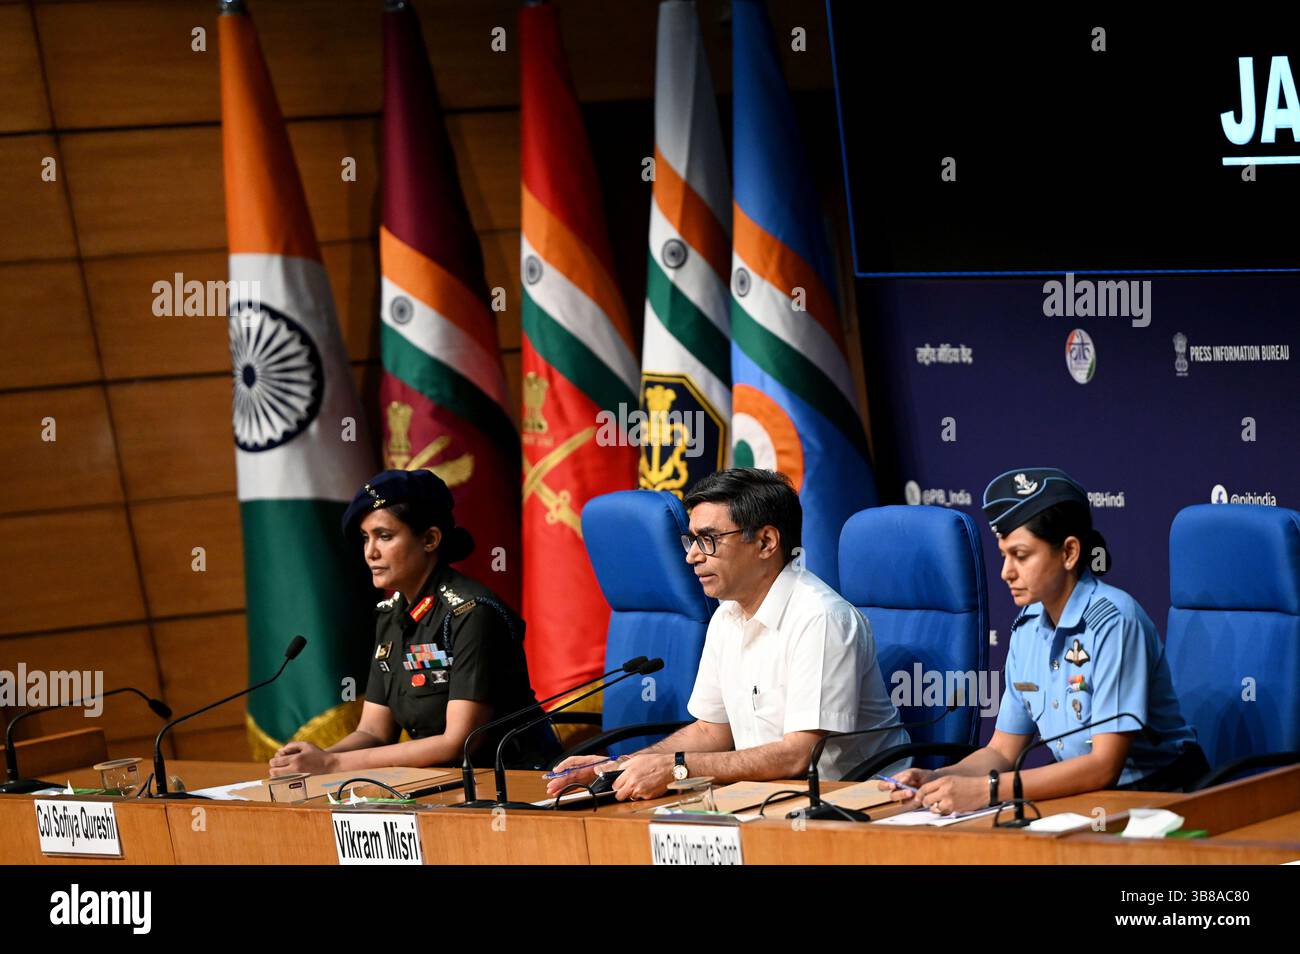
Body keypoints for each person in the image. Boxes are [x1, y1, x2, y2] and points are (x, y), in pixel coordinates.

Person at [547, 468, 908, 801]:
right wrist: (617, 766)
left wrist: (677, 767)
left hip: (854, 806)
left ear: (766, 542)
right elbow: (711, 732)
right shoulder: (726, 615)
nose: (692, 557)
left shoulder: (820, 618)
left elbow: (799, 755)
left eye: (708, 539)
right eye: (692, 540)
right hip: (770, 800)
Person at [880, 467, 1207, 815]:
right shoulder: (1027, 627)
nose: (1006, 571)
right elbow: (1003, 751)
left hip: (1162, 796)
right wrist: (937, 779)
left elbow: (1104, 765)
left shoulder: (1114, 622)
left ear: (1069, 552)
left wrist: (989, 790)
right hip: (1088, 798)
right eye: (1003, 554)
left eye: (1021, 556)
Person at [269, 469, 557, 776]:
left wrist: (332, 764)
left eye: (385, 536)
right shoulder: (391, 614)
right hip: (445, 782)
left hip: (518, 782)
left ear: (430, 539)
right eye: (366, 538)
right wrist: (310, 761)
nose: (370, 552)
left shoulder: (471, 613)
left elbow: (458, 742)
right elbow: (374, 732)